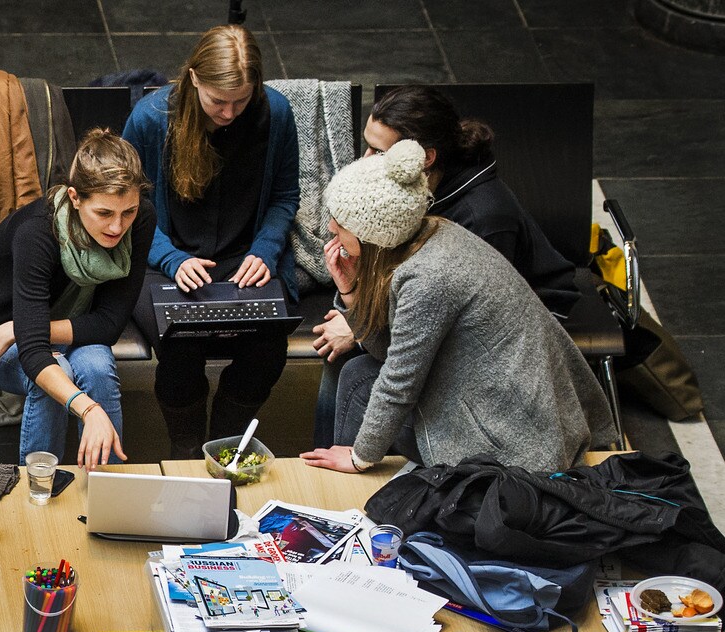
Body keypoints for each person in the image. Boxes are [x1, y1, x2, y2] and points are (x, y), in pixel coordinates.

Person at [300, 140, 613, 475]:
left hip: (512, 443)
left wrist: (359, 457)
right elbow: (387, 351)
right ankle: (337, 474)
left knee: (362, 388)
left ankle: (341, 494)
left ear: (373, 235)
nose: (332, 228)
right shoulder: (434, 234)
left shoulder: (429, 277)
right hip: (503, 403)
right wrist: (350, 291)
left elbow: (399, 381)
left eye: (341, 223)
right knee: (358, 372)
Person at [310, 85, 580, 446]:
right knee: (347, 363)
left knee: (357, 373)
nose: (364, 161)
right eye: (366, 145)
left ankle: (341, 461)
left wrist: (360, 323)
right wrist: (356, 302)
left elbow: (448, 328)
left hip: (505, 349)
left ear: (422, 158)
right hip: (430, 316)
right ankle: (326, 457)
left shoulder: (480, 220)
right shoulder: (407, 196)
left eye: (378, 151)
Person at [121, 24, 300, 458]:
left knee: (268, 346)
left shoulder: (275, 113)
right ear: (194, 79)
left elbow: (283, 196)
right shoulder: (151, 118)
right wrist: (170, 257)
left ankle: (224, 445)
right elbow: (128, 204)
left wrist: (265, 249)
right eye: (218, 101)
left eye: (241, 100)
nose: (229, 113)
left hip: (244, 255)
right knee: (181, 342)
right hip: (158, 256)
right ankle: (186, 449)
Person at [0, 129, 152, 467]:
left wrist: (22, 328)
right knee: (58, 373)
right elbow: (37, 355)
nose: (117, 227)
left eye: (127, 212)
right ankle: (39, 488)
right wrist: (88, 408)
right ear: (75, 197)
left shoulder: (140, 220)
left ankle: (108, 490)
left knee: (98, 367)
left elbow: (110, 323)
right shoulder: (37, 233)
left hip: (51, 323)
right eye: (104, 214)